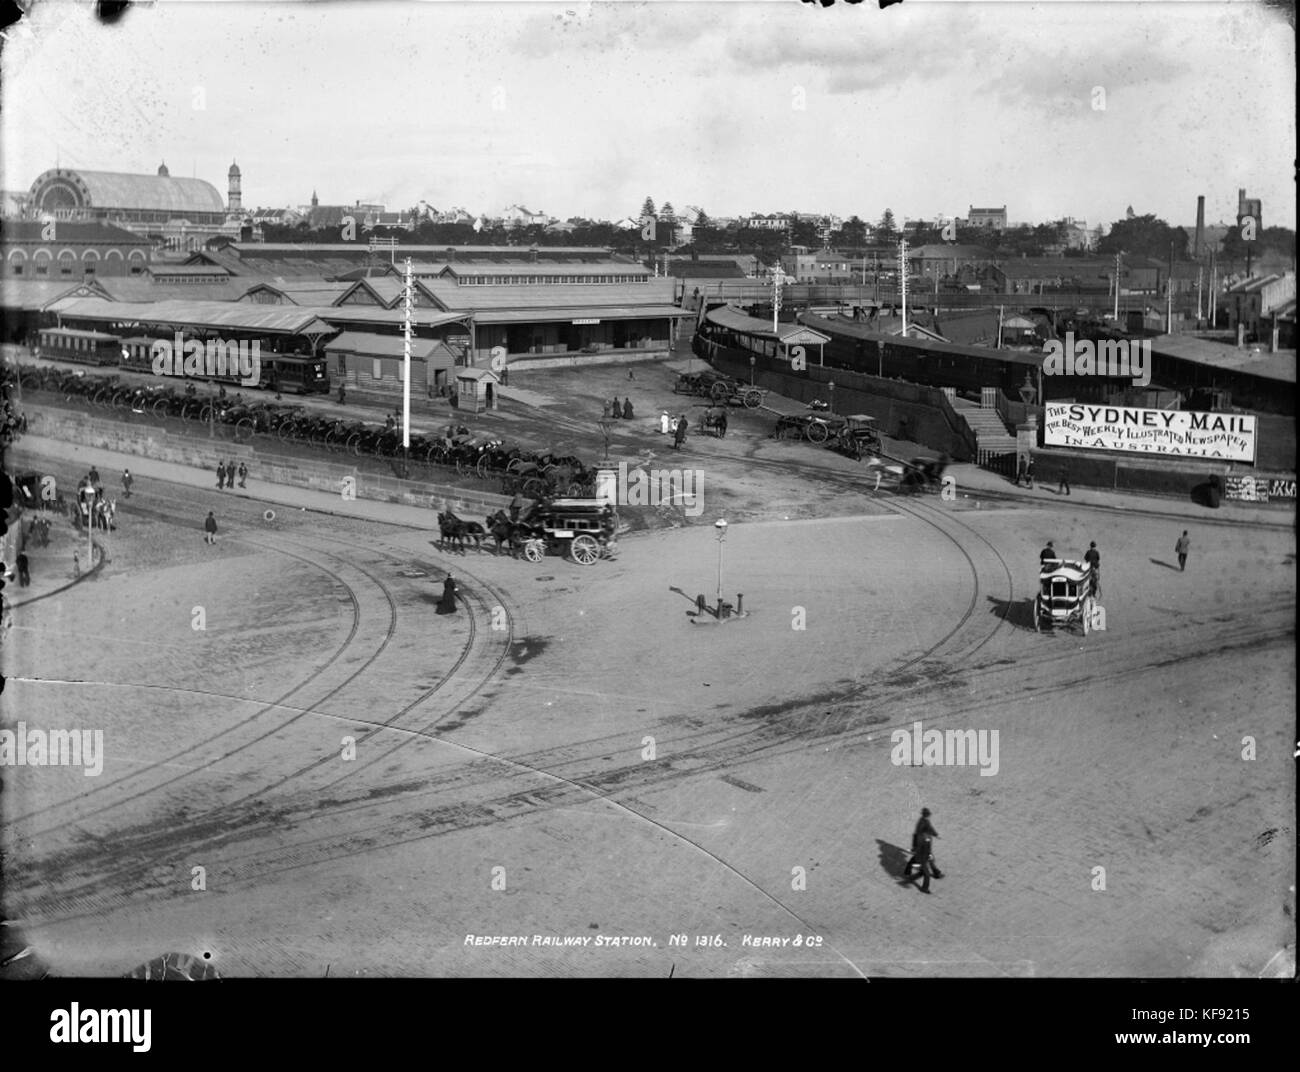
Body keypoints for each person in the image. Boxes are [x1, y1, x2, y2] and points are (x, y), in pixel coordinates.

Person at [902, 808, 943, 884]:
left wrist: (935, 835)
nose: (929, 816)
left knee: (928, 858)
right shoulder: (921, 825)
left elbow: (930, 828)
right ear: (926, 815)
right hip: (921, 845)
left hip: (925, 844)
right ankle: (909, 872)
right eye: (928, 815)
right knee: (920, 859)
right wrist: (915, 847)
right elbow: (917, 835)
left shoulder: (926, 821)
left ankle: (935, 872)